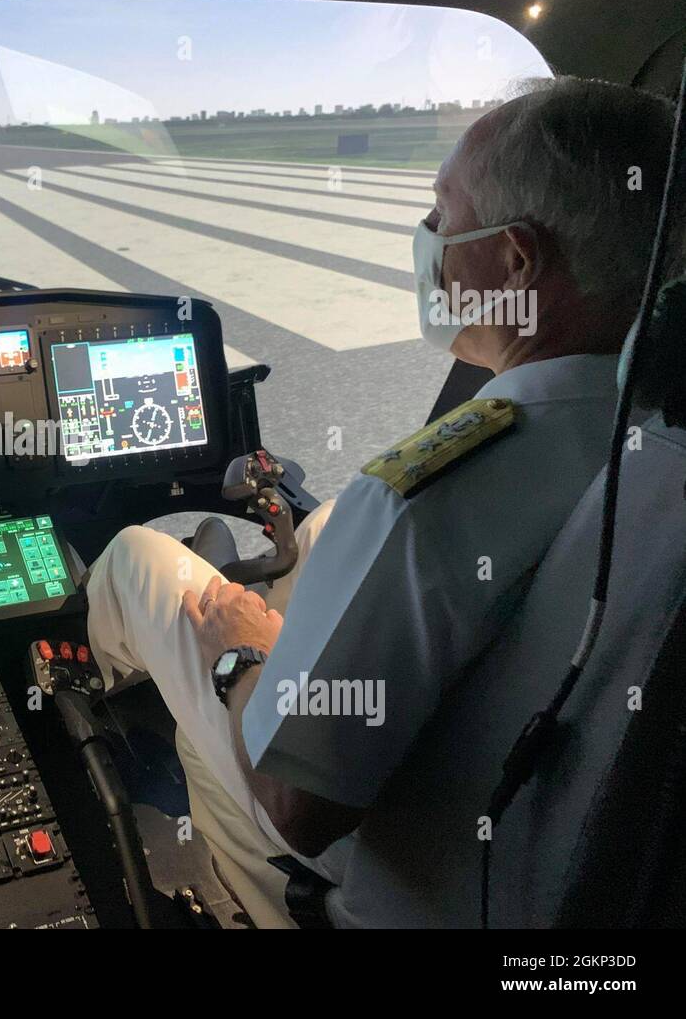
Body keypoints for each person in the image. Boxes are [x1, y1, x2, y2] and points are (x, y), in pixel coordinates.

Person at [86, 76, 686, 927]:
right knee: (326, 525)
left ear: (516, 260)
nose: (429, 238)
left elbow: (301, 808)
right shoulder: (653, 431)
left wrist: (239, 659)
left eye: (443, 214)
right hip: (528, 830)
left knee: (140, 561)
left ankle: (72, 693)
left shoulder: (420, 499)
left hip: (404, 859)